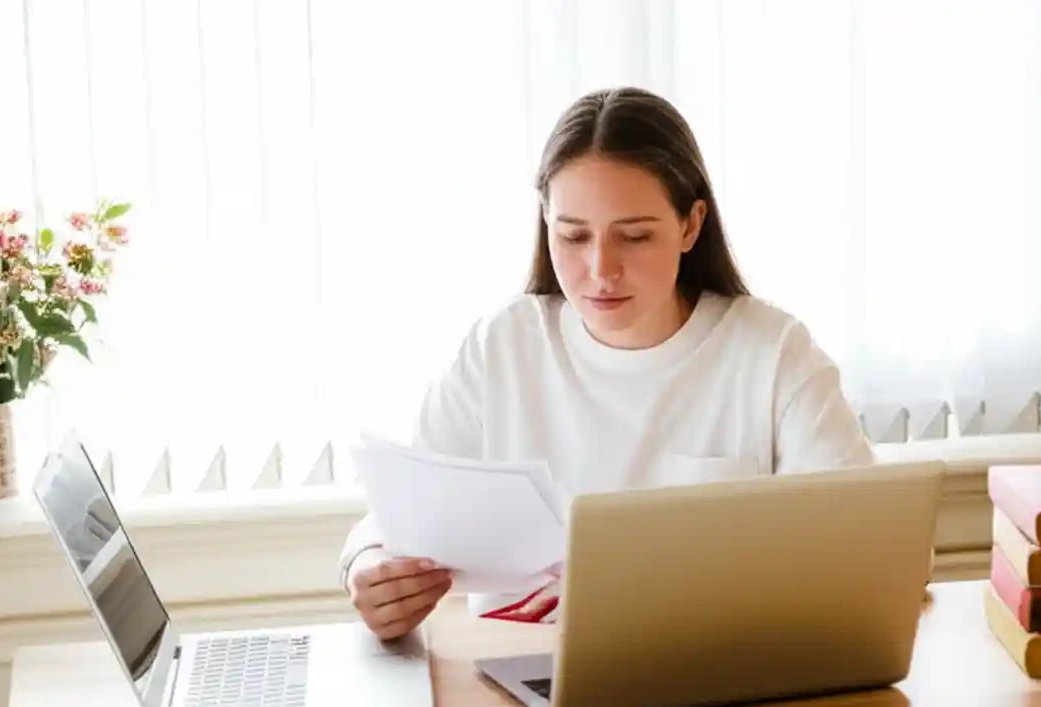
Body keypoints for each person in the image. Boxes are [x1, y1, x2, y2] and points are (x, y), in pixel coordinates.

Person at [339, 86, 875, 641]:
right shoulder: (502, 346)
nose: (601, 269)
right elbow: (400, 515)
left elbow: (867, 540)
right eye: (572, 235)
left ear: (691, 225)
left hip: (715, 670)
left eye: (635, 236)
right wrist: (368, 565)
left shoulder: (772, 352)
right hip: (518, 675)